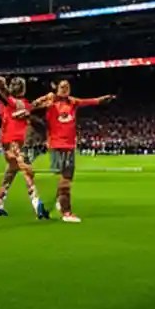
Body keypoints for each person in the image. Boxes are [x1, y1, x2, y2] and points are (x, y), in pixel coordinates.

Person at [31, 79, 115, 223]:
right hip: (57, 146)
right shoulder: (50, 103)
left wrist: (102, 100)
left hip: (69, 146)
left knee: (64, 179)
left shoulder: (73, 102)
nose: (65, 89)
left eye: (67, 86)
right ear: (56, 88)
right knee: (65, 181)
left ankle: (50, 206)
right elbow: (31, 108)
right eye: (62, 86)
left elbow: (89, 101)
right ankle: (66, 212)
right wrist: (43, 99)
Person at [0, 76, 48, 219]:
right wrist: (0, 85)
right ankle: (37, 204)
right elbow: (9, 96)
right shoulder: (17, 103)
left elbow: (26, 106)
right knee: (27, 171)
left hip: (7, 143)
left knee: (10, 173)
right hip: (17, 142)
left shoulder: (8, 105)